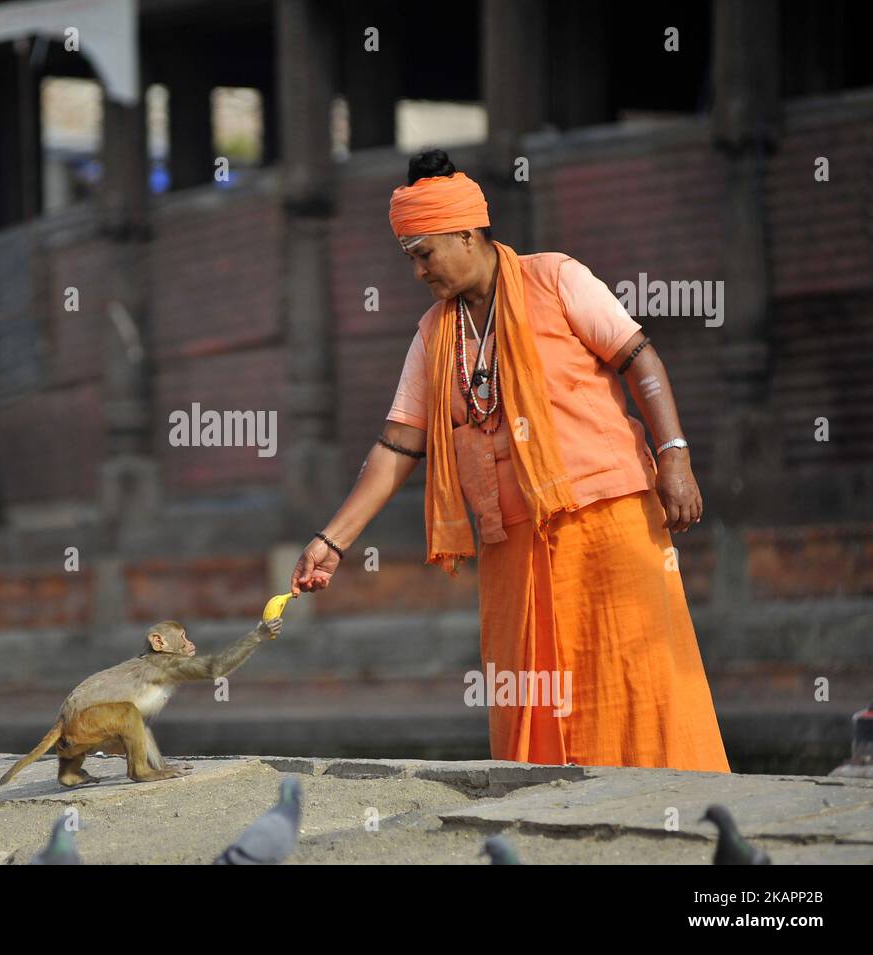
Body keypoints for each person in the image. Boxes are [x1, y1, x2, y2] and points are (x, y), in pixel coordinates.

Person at [288, 149, 730, 773]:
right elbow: (397, 446)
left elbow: (641, 359)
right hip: (513, 543)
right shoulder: (434, 334)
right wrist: (331, 541)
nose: (417, 271)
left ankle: (670, 810)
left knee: (638, 675)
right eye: (409, 257)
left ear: (467, 236)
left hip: (609, 518)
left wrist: (675, 459)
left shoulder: (556, 279)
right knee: (529, 691)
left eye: (424, 254)